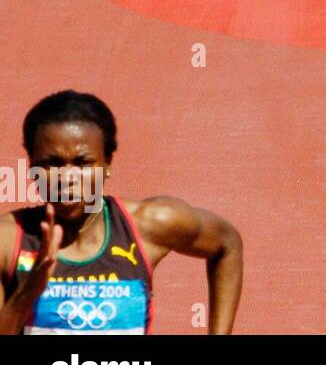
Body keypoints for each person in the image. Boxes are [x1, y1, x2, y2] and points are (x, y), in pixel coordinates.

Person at [0, 90, 243, 334]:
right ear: (31, 165)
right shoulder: (8, 241)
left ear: (107, 163)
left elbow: (227, 244)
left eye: (83, 163)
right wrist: (28, 290)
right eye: (52, 163)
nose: (68, 178)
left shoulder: (149, 225)